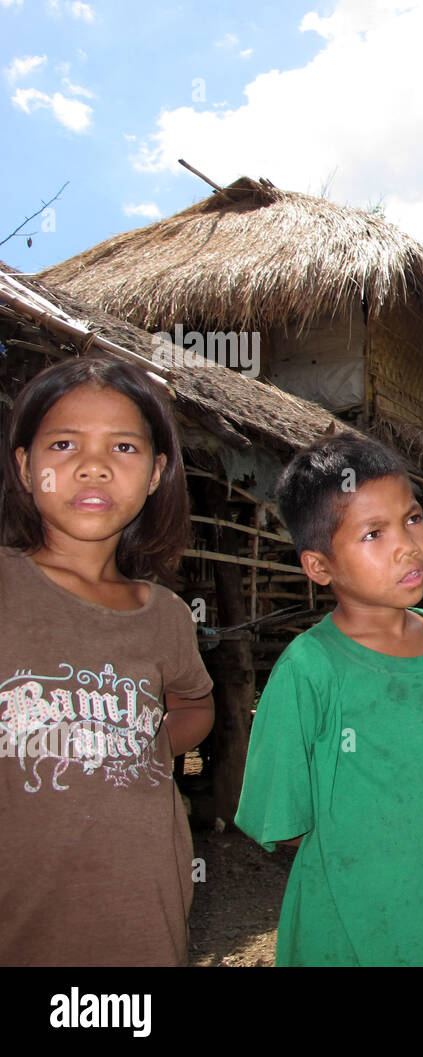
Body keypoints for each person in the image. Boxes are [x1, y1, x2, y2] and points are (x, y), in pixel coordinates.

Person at [234, 434, 423, 966]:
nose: (407, 544)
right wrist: (374, 855)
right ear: (319, 566)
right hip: (351, 928)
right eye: (373, 533)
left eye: (412, 518)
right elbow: (282, 822)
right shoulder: (307, 670)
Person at [0, 357, 214, 966]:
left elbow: (194, 703)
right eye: (64, 443)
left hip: (142, 920)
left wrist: (146, 740)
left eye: (123, 446)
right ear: (25, 467)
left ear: (155, 473)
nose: (93, 465)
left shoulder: (166, 614)